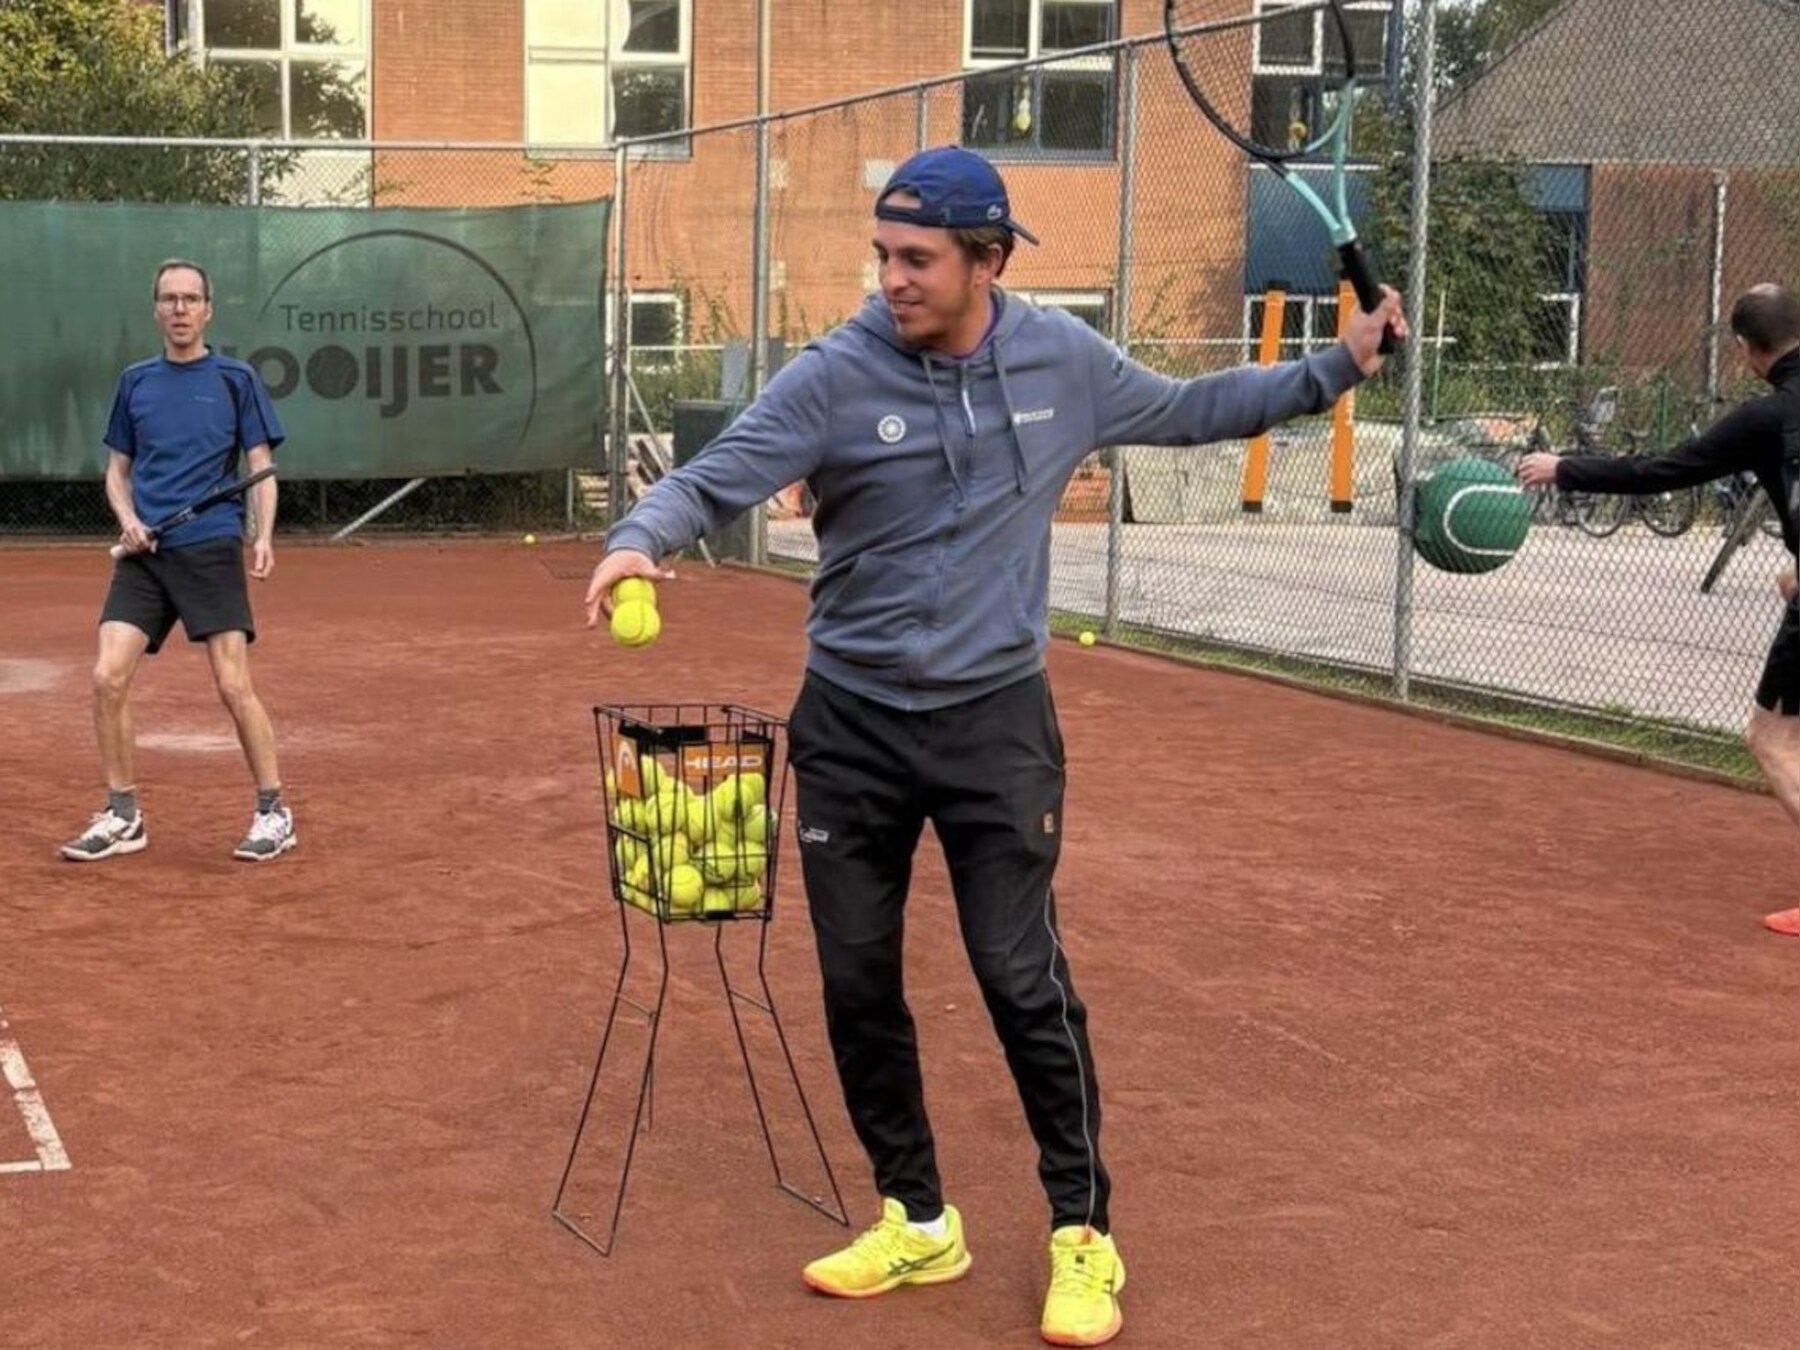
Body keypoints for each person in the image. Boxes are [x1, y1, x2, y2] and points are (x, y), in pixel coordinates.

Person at [584, 146, 1404, 1347]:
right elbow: (715, 477)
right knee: (858, 984)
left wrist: (1338, 365)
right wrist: (634, 539)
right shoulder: (835, 372)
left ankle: (1082, 1231)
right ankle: (917, 1216)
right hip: (852, 723)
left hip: (995, 726)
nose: (891, 280)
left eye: (917, 259)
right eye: (883, 255)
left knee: (1020, 975)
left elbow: (1187, 414)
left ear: (990, 259)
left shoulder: (1061, 361)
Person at [1517, 283, 1800, 937]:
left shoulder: (1766, 420)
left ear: (1745, 351)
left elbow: (1662, 471)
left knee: (1773, 740)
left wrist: (1566, 469)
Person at [61, 259, 296, 865]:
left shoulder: (235, 378)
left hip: (212, 546)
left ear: (209, 309)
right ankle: (123, 814)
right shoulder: (136, 382)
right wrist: (129, 521)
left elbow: (260, 467)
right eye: (169, 299)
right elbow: (118, 471)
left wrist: (261, 534)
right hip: (146, 554)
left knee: (231, 683)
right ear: (156, 309)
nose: (181, 309)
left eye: (191, 298)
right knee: (107, 676)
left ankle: (274, 811)